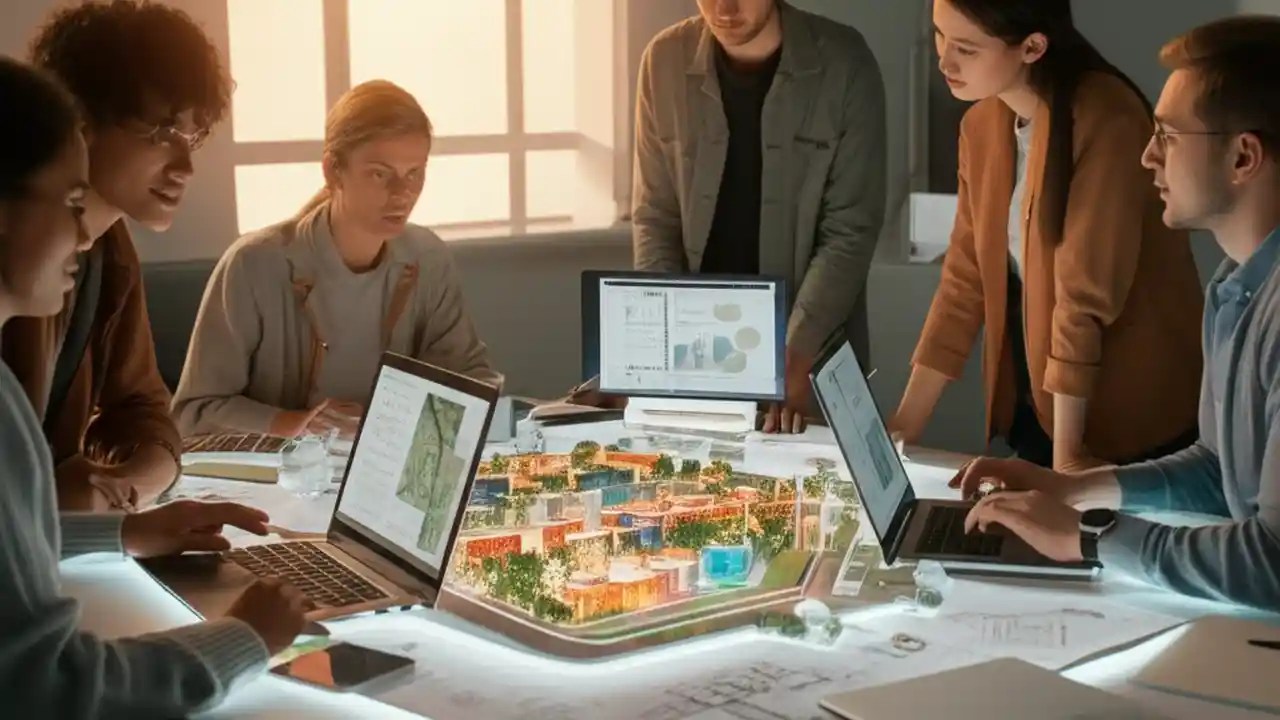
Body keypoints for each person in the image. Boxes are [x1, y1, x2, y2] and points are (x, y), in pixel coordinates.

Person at [0, 54, 307, 717]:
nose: (82, 233)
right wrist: (245, 638)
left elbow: (143, 408)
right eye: (71, 204)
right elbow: (45, 687)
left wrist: (121, 531)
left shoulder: (112, 257)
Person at [955, 16, 1280, 611]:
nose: (1148, 156)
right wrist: (1075, 489)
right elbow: (1220, 472)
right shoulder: (1236, 286)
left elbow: (1272, 561)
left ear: (1243, 157)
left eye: (1169, 136)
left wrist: (1090, 536)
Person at [890, 0, 1204, 471]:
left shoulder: (1105, 116)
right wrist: (902, 429)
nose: (944, 61)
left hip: (1128, 422)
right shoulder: (981, 125)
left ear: (1033, 47)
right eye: (939, 36)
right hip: (1038, 407)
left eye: (966, 49)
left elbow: (1083, 298)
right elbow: (964, 281)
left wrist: (1067, 460)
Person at [0, 1, 232, 511]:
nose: (186, 166)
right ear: (80, 121)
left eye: (192, 138)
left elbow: (141, 408)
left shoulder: (110, 250)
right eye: (163, 133)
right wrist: (76, 506)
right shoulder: (21, 262)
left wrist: (125, 491)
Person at [172, 80, 500, 440]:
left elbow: (472, 378)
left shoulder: (428, 258)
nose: (402, 193)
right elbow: (193, 415)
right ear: (332, 170)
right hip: (284, 467)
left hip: (386, 462)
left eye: (414, 173)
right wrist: (297, 425)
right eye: (379, 173)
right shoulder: (253, 265)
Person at [632, 0, 887, 434]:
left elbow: (850, 232)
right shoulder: (663, 60)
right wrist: (660, 348)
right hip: (694, 361)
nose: (724, 7)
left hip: (809, 366)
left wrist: (796, 356)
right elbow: (654, 217)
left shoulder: (844, 64)